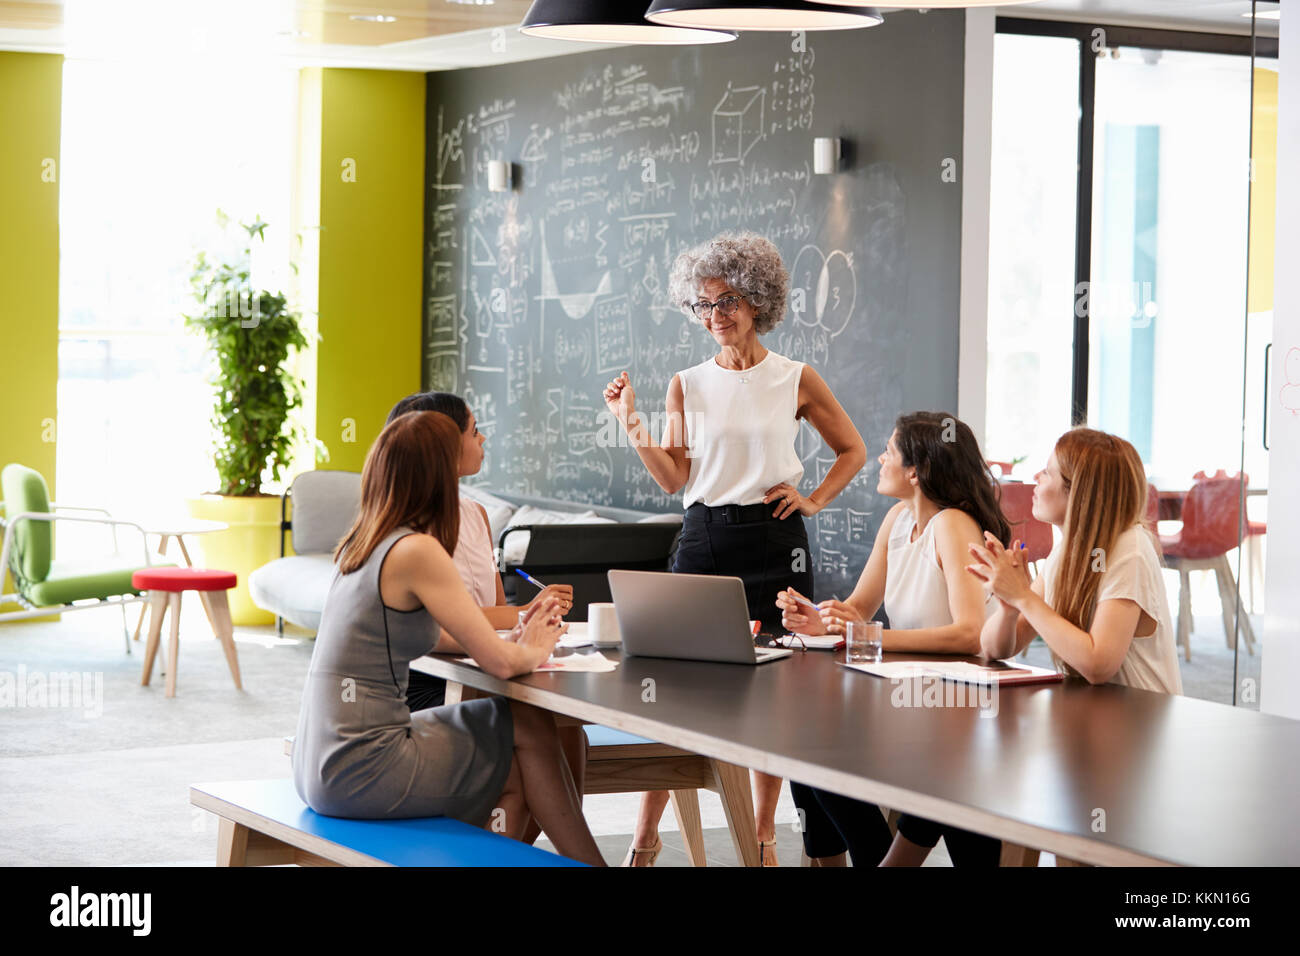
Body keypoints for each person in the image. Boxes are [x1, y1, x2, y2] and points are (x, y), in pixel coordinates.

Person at [602, 231, 867, 866]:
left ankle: (763, 836)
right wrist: (628, 420)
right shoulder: (686, 384)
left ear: (758, 301)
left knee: (777, 690)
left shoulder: (796, 377)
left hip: (777, 540)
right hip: (704, 537)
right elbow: (673, 477)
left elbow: (852, 449)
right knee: (677, 687)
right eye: (704, 305)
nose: (716, 316)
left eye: (728, 302)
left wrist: (814, 499)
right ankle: (643, 840)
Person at [291, 410, 605, 865]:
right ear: (440, 471)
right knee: (531, 723)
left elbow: (472, 635)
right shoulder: (417, 550)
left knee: (516, 769)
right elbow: (500, 663)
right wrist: (533, 645)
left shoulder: (367, 538)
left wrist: (517, 638)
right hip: (359, 764)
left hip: (320, 758)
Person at [776, 412, 1010, 867]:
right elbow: (858, 610)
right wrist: (821, 619)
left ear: (916, 471)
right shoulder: (899, 519)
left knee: (823, 753)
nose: (880, 458)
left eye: (890, 451)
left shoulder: (952, 525)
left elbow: (971, 634)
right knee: (805, 750)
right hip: (918, 694)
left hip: (961, 704)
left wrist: (869, 635)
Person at [386, 392, 587, 846]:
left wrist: (527, 618)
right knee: (532, 744)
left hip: (485, 666)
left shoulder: (475, 513)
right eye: (474, 430)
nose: (484, 438)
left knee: (569, 733)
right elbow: (447, 624)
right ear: (442, 445)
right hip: (433, 682)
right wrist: (526, 616)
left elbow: (494, 611)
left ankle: (526, 853)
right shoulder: (411, 532)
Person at [969, 427, 1182, 696]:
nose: (1036, 477)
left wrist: (1023, 597)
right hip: (1094, 717)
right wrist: (1010, 609)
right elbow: (993, 649)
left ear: (1078, 492)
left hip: (1139, 723)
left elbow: (1098, 665)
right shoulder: (1065, 553)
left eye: (1047, 472)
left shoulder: (1130, 549)